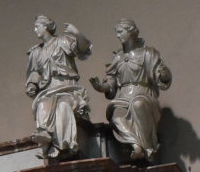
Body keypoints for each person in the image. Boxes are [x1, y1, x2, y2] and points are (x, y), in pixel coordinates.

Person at [93, 18, 173, 162]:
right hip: (123, 97)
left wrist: (164, 74)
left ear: (131, 31)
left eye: (120, 31)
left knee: (138, 105)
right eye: (117, 33)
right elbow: (111, 84)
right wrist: (100, 87)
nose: (118, 36)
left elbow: (161, 77)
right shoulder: (117, 57)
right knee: (116, 117)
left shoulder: (148, 54)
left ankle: (147, 148)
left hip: (143, 94)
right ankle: (137, 146)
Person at [25, 14, 95, 159]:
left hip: (68, 87)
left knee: (64, 106)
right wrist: (32, 84)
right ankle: (44, 139)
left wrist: (76, 33)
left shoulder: (62, 41)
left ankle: (65, 144)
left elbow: (82, 48)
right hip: (48, 90)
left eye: (37, 26)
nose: (35, 30)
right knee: (42, 105)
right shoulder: (36, 51)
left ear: (46, 27)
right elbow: (34, 72)